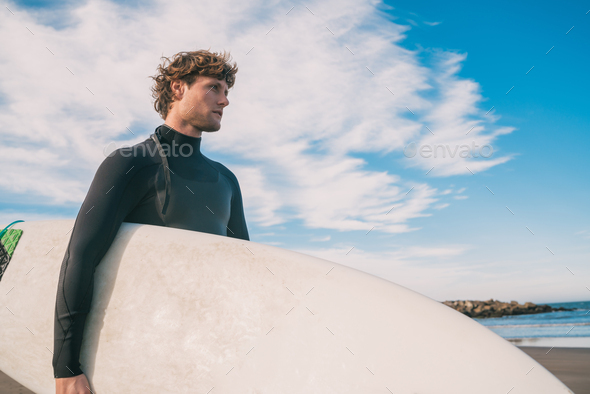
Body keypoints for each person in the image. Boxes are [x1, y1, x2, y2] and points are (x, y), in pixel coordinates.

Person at [53, 50, 249, 394]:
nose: (225, 100)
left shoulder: (226, 180)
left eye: (227, 92)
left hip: (202, 359)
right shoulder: (132, 163)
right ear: (178, 88)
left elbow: (242, 271)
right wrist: (66, 367)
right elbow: (81, 258)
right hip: (130, 356)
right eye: (214, 88)